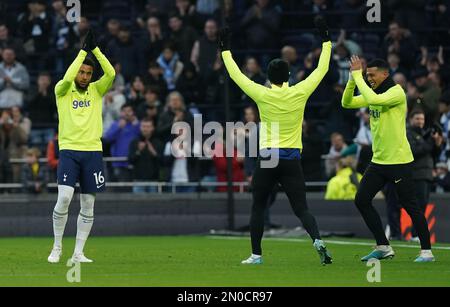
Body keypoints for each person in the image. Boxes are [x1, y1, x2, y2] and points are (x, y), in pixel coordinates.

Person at [219, 16, 333, 265]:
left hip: (269, 156)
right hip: (292, 157)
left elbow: (236, 75)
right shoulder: (300, 91)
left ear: (268, 77)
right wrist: (326, 40)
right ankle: (316, 240)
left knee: (258, 206)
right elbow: (321, 69)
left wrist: (225, 49)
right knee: (301, 208)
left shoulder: (262, 93)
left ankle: (256, 255)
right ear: (290, 75)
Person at [342, 56, 433, 262]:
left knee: (410, 205)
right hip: (379, 161)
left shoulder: (396, 91)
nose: (369, 78)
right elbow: (346, 103)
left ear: (385, 73)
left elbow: (373, 101)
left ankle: (426, 251)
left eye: (372, 74)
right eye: (367, 75)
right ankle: (383, 246)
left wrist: (358, 76)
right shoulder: (373, 92)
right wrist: (352, 78)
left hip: (399, 161)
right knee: (362, 200)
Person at [47, 30, 116, 264]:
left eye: (88, 73)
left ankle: (78, 252)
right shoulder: (63, 90)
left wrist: (95, 50)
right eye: (82, 72)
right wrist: (82, 52)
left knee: (88, 203)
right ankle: (57, 247)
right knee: (64, 198)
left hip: (93, 152)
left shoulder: (97, 90)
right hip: (69, 150)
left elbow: (111, 72)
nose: (85, 76)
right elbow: (67, 79)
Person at [406, 108, 443, 241]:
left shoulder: (425, 135)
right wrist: (430, 142)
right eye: (417, 119)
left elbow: (433, 154)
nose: (420, 121)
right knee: (418, 205)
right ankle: (415, 234)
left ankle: (415, 234)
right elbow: (414, 151)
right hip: (416, 174)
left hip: (427, 174)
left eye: (422, 119)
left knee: (423, 205)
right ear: (411, 119)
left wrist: (437, 144)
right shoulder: (408, 133)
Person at [128, 118, 163, 193]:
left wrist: (154, 153)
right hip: (138, 179)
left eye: (148, 127)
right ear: (140, 128)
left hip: (153, 180)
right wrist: (138, 151)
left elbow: (162, 161)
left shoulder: (157, 143)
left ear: (152, 128)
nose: (145, 129)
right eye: (143, 126)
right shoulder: (134, 142)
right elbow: (130, 160)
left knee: (154, 203)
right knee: (137, 203)